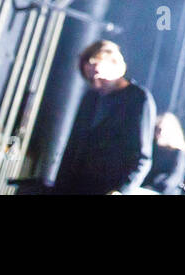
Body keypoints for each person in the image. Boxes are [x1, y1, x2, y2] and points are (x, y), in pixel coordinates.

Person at [54, 40, 155, 194]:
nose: (95, 82)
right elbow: (74, 145)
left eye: (98, 75)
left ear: (115, 65)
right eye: (90, 78)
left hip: (109, 187)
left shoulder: (138, 98)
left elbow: (142, 157)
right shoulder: (91, 98)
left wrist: (121, 190)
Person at [141, 112, 185, 195]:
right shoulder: (151, 148)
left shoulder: (178, 153)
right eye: (157, 129)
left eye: (162, 130)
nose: (160, 133)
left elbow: (174, 178)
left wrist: (154, 188)